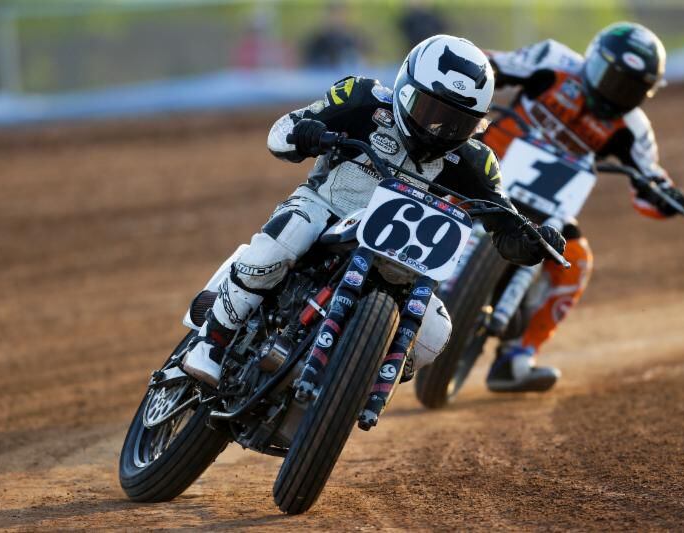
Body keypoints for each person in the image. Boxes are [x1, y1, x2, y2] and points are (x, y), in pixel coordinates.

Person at [182, 35, 566, 386]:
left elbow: (504, 223)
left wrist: (530, 240)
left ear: (476, 125)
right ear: (404, 86)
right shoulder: (361, 97)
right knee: (292, 231)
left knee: (435, 332)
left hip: (400, 259)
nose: (438, 128)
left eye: (456, 122)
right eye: (430, 108)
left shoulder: (477, 161)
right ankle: (213, 340)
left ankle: (350, 388)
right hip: (323, 210)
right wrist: (305, 134)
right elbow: (282, 131)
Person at [478, 22, 684, 393]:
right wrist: (486, 72)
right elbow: (489, 65)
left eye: (627, 87)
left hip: (551, 203)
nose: (612, 91)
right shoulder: (552, 59)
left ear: (645, 94)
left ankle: (517, 356)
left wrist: (662, 196)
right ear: (590, 58)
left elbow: (650, 182)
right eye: (607, 76)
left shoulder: (634, 128)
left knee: (576, 261)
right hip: (485, 167)